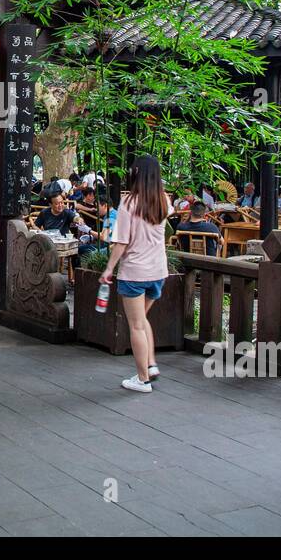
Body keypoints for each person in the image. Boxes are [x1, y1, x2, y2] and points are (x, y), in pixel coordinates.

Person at [99, 155, 169, 393]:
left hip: (135, 272)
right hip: (158, 270)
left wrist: (109, 268)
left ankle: (142, 380)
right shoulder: (164, 201)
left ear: (136, 171)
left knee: (136, 325)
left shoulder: (129, 203)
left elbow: (121, 241)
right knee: (142, 320)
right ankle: (150, 364)